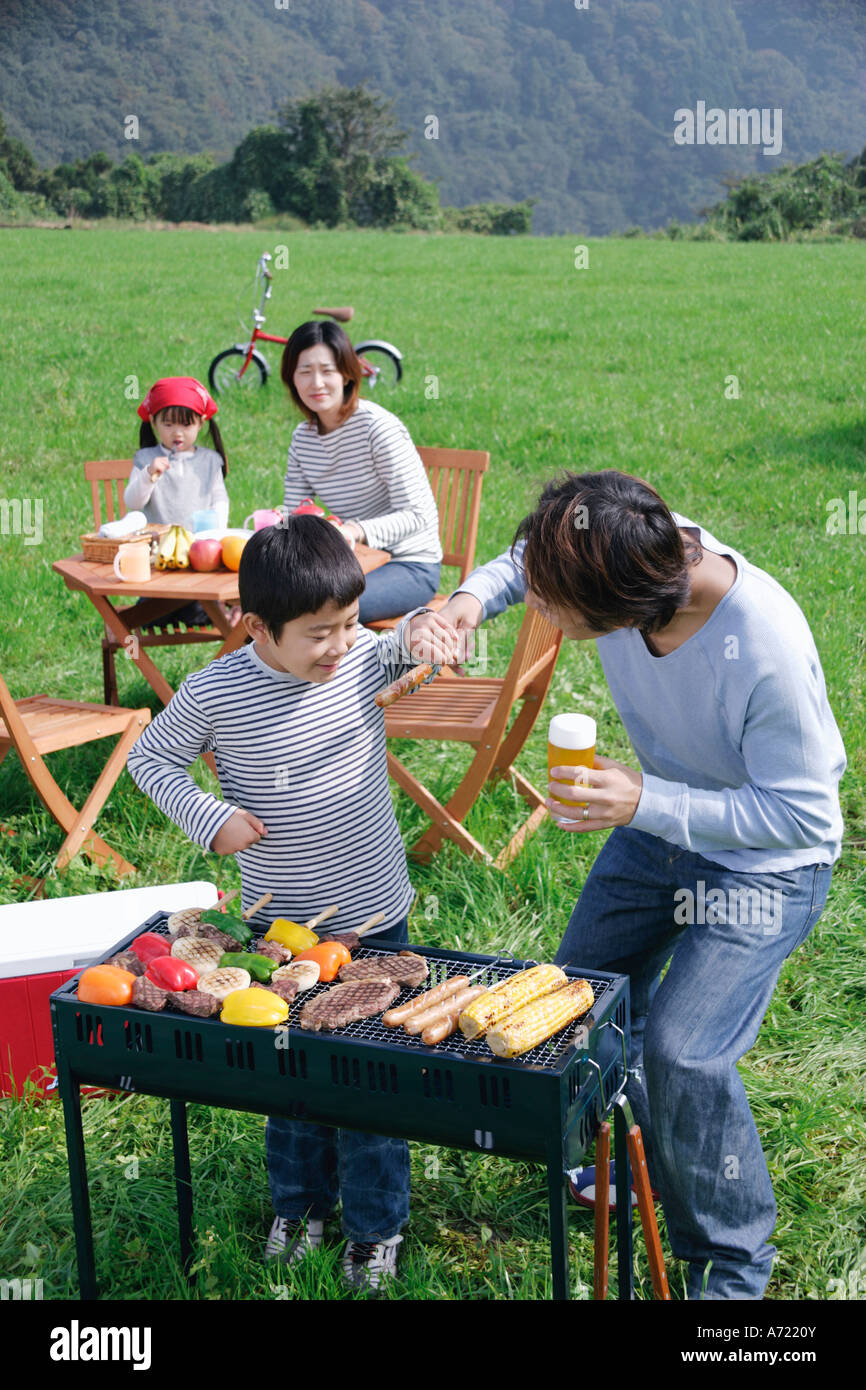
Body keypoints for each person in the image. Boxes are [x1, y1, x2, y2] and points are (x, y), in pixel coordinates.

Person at [412, 469, 846, 1301]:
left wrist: (645, 798)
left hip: (766, 864)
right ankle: (642, 1159)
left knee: (684, 1050)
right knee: (584, 997)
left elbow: (802, 821)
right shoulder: (628, 544)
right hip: (660, 833)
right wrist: (464, 603)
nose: (537, 606)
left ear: (618, 607)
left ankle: (731, 1259)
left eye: (553, 605)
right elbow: (526, 561)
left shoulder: (763, 645)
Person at [127, 515, 458, 1294]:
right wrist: (213, 819)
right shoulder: (217, 690)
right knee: (293, 1077)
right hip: (283, 928)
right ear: (257, 628)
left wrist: (431, 631)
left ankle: (377, 1228)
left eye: (348, 623)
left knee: (371, 1080)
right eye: (320, 634)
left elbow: (404, 640)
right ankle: (299, 1205)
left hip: (373, 911)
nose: (341, 645)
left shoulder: (356, 656)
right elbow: (151, 757)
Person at [281, 321, 442, 624]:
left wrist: (354, 530)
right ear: (291, 378)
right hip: (352, 563)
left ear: (346, 375)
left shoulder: (377, 429)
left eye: (327, 371)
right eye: (305, 371)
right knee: (273, 606)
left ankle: (339, 672)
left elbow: (419, 514)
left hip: (410, 565)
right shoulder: (302, 439)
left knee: (318, 613)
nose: (316, 383)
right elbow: (294, 515)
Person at [126, 376, 231, 628]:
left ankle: (198, 610)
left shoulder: (209, 461)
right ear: (153, 422)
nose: (177, 433)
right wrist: (148, 476)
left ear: (201, 423)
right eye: (169, 424)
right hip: (158, 558)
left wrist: (216, 533)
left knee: (197, 610)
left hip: (200, 558)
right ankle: (157, 609)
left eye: (186, 425)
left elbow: (220, 499)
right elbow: (133, 502)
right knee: (153, 614)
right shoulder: (146, 459)